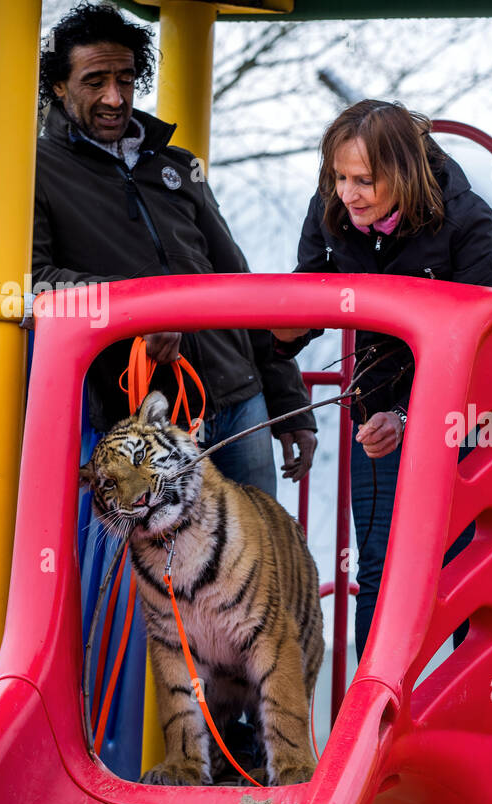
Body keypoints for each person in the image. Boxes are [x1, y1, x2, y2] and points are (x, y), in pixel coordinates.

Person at [33, 2, 317, 495]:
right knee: (167, 569)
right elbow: (38, 283)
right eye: (95, 81)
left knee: (262, 562)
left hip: (239, 397)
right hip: (143, 427)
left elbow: (238, 284)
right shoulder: (35, 169)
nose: (115, 97)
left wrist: (289, 402)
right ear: (58, 85)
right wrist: (142, 312)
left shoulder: (177, 164)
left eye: (125, 78)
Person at [273, 99, 492, 660]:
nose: (347, 194)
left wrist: (409, 416)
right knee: (377, 569)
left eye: (364, 180)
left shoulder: (466, 222)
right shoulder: (331, 213)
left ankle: (458, 721)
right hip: (378, 408)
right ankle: (378, 724)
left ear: (403, 172)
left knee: (454, 570)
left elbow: (477, 349)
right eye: (338, 177)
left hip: (458, 421)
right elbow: (309, 301)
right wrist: (264, 335)